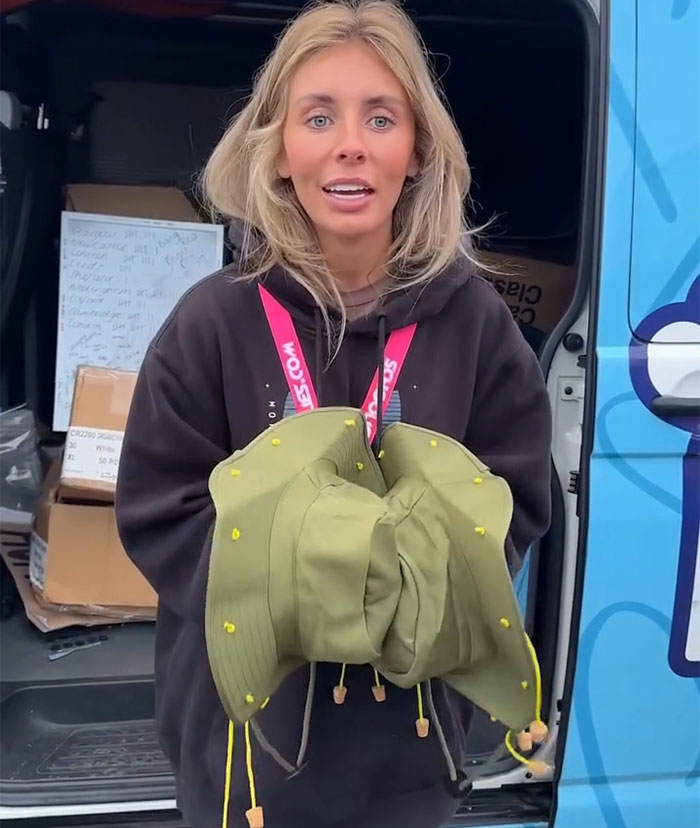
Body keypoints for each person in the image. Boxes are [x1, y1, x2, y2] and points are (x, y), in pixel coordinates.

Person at [115, 1, 553, 827]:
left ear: (416, 150)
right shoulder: (212, 323)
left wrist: (407, 581)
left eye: (380, 117)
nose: (349, 143)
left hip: (412, 762)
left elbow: (518, 502)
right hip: (246, 765)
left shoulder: (478, 326)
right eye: (319, 116)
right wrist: (311, 580)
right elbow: (157, 511)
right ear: (279, 149)